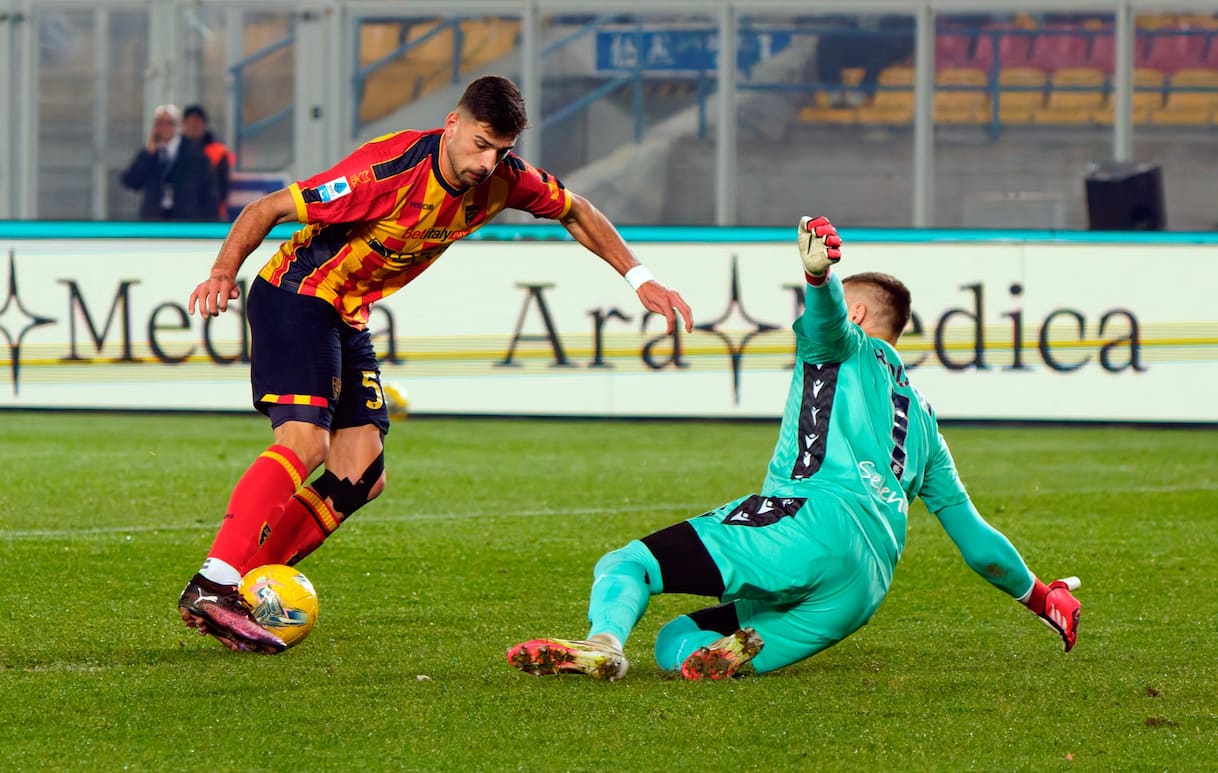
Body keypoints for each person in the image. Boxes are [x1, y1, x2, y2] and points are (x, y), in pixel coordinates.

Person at [177, 75, 694, 654]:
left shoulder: (505, 180)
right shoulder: (387, 172)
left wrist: (640, 278)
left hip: (347, 314)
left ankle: (243, 589)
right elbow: (267, 207)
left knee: (361, 475)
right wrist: (223, 271)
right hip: (296, 294)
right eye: (480, 143)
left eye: (501, 149)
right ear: (453, 124)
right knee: (306, 443)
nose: (488, 161)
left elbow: (577, 210)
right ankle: (214, 582)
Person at [507, 215, 1081, 681]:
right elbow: (979, 544)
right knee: (679, 642)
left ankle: (604, 644)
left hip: (806, 524)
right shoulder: (927, 424)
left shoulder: (846, 344)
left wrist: (819, 280)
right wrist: (1042, 597)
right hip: (861, 589)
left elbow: (827, 322)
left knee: (628, 564)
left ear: (858, 314)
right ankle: (730, 650)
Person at [120, 104, 221, 221]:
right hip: (154, 219)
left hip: (186, 220)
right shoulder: (151, 153)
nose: (165, 128)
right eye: (160, 123)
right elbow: (131, 181)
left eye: (170, 123)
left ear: (178, 125)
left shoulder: (194, 152)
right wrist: (148, 154)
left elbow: (209, 192)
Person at [182, 104, 235, 220]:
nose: (193, 126)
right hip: (178, 217)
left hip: (209, 216)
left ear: (205, 125)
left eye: (197, 123)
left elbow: (223, 187)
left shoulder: (218, 151)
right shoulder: (175, 149)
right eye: (190, 123)